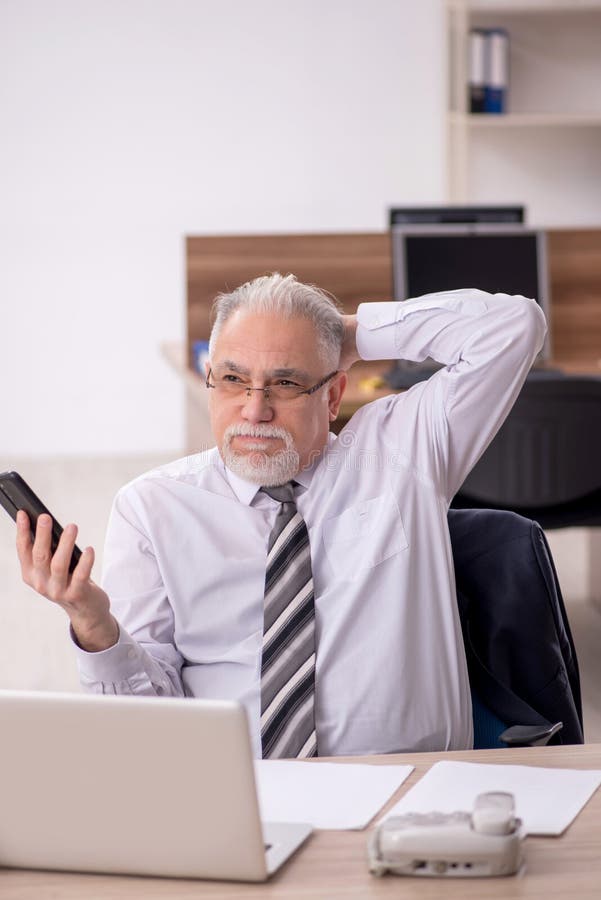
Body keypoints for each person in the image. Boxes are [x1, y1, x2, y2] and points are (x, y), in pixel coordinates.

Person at [17, 273, 547, 759]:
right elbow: (148, 719)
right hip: (237, 791)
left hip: (404, 788)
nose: (254, 409)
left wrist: (349, 334)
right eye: (231, 378)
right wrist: (94, 624)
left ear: (335, 393)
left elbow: (512, 326)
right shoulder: (151, 509)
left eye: (287, 383)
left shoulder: (403, 455)